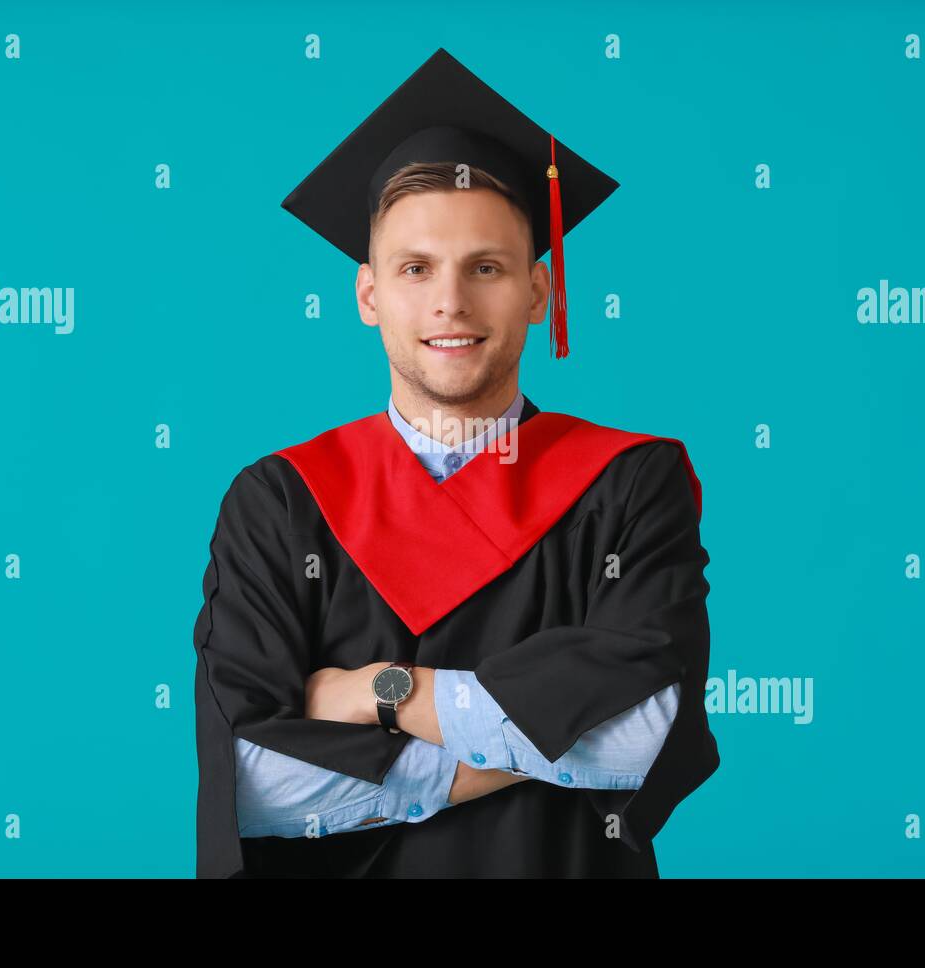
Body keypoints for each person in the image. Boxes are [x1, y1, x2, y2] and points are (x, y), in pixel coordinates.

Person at [193, 47, 718, 878]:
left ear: (538, 291)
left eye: (487, 267)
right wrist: (546, 729)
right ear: (368, 295)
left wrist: (379, 695)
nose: (451, 302)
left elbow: (640, 738)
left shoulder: (627, 485)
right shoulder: (280, 502)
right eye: (415, 269)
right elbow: (253, 783)